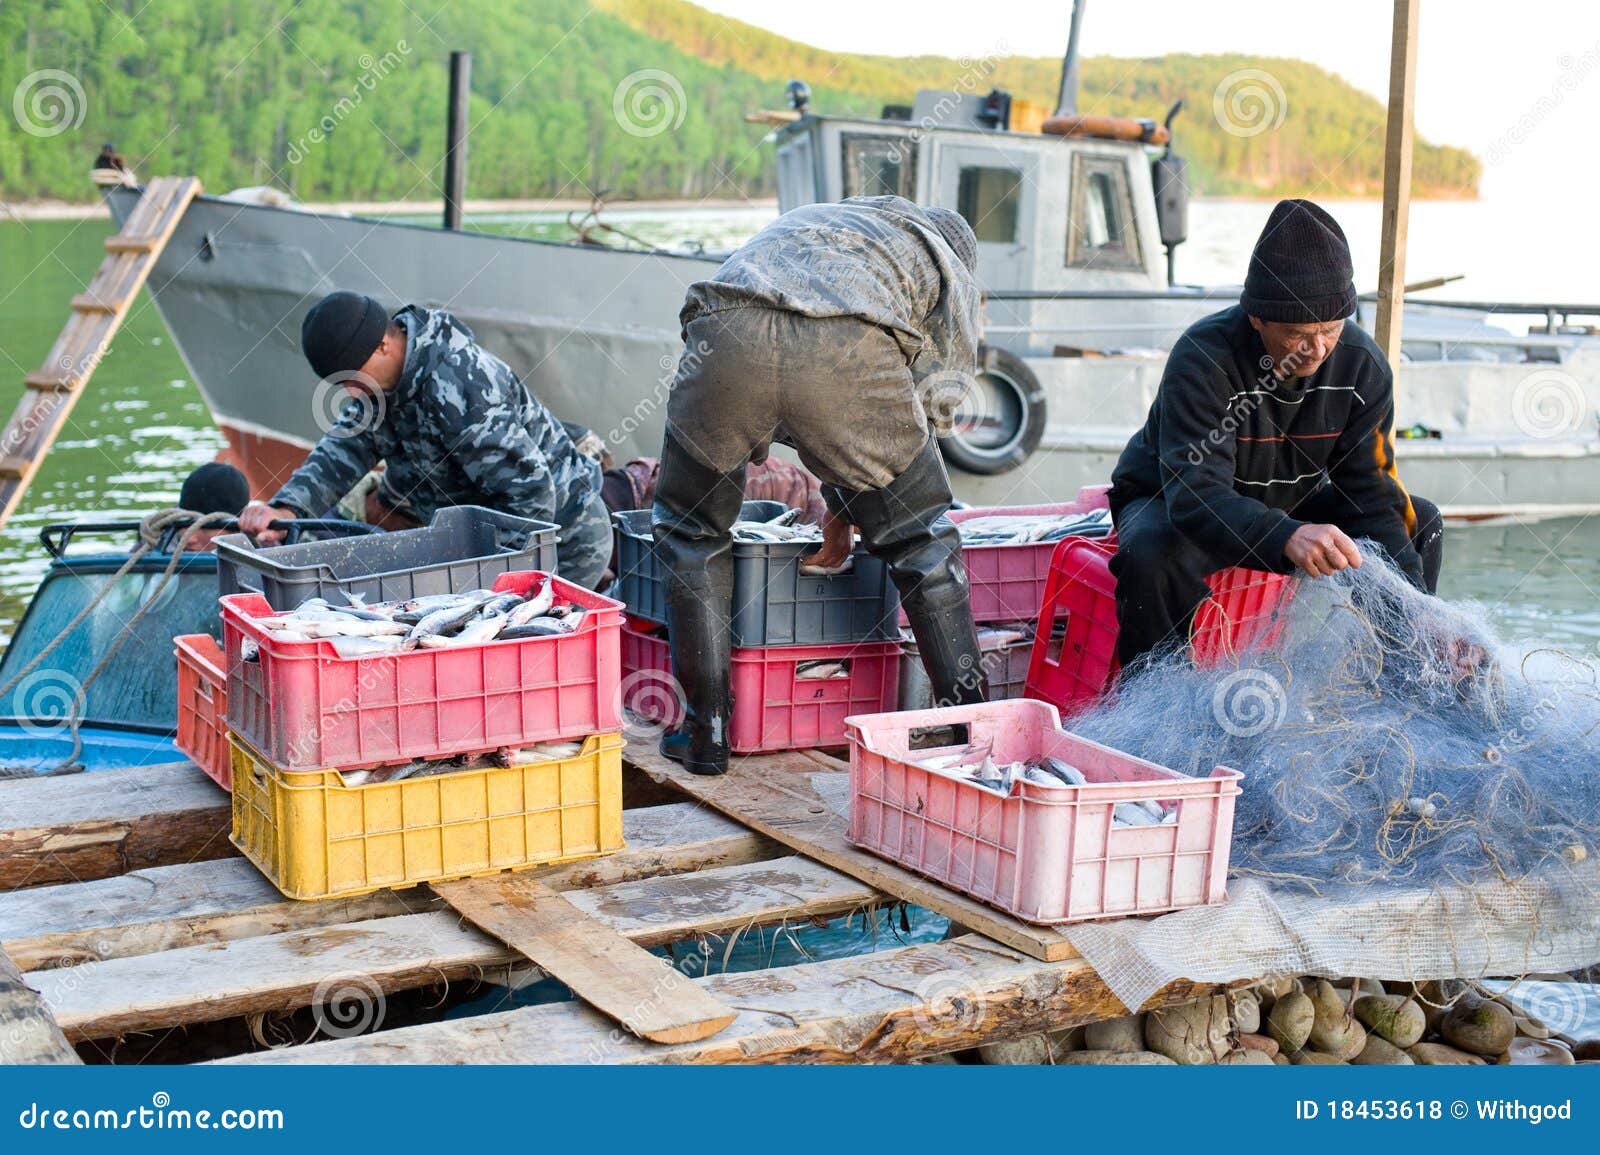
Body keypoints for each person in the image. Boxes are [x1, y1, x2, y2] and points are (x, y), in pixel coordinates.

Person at [654, 194, 988, 776]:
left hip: (725, 328)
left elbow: (787, 355)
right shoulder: (946, 264)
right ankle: (975, 730)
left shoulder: (836, 222)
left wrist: (842, 505)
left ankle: (704, 730)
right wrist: (902, 490)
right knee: (922, 541)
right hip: (845, 347)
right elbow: (938, 392)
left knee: (691, 530)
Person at [1107, 198, 1445, 668]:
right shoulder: (1204, 358)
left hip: (1287, 498)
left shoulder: (1362, 365)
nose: (1316, 348)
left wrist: (1419, 609)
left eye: (1329, 328)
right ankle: (1155, 696)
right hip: (1170, 497)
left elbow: (1372, 495)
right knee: (1155, 555)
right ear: (1257, 318)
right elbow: (1195, 496)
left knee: (1420, 521)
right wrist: (1285, 535)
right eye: (1296, 332)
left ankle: (1402, 668)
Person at [238, 291, 612, 589]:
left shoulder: (462, 385)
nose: (351, 394)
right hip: (478, 543)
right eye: (340, 386)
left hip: (566, 541)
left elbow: (530, 495)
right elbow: (342, 451)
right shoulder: (375, 389)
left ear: (383, 345)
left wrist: (496, 587)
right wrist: (287, 511)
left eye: (351, 379)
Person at [175, 461, 250, 551]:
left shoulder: (265, 547)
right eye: (185, 524)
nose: (190, 539)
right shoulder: (157, 536)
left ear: (237, 529)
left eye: (207, 527)